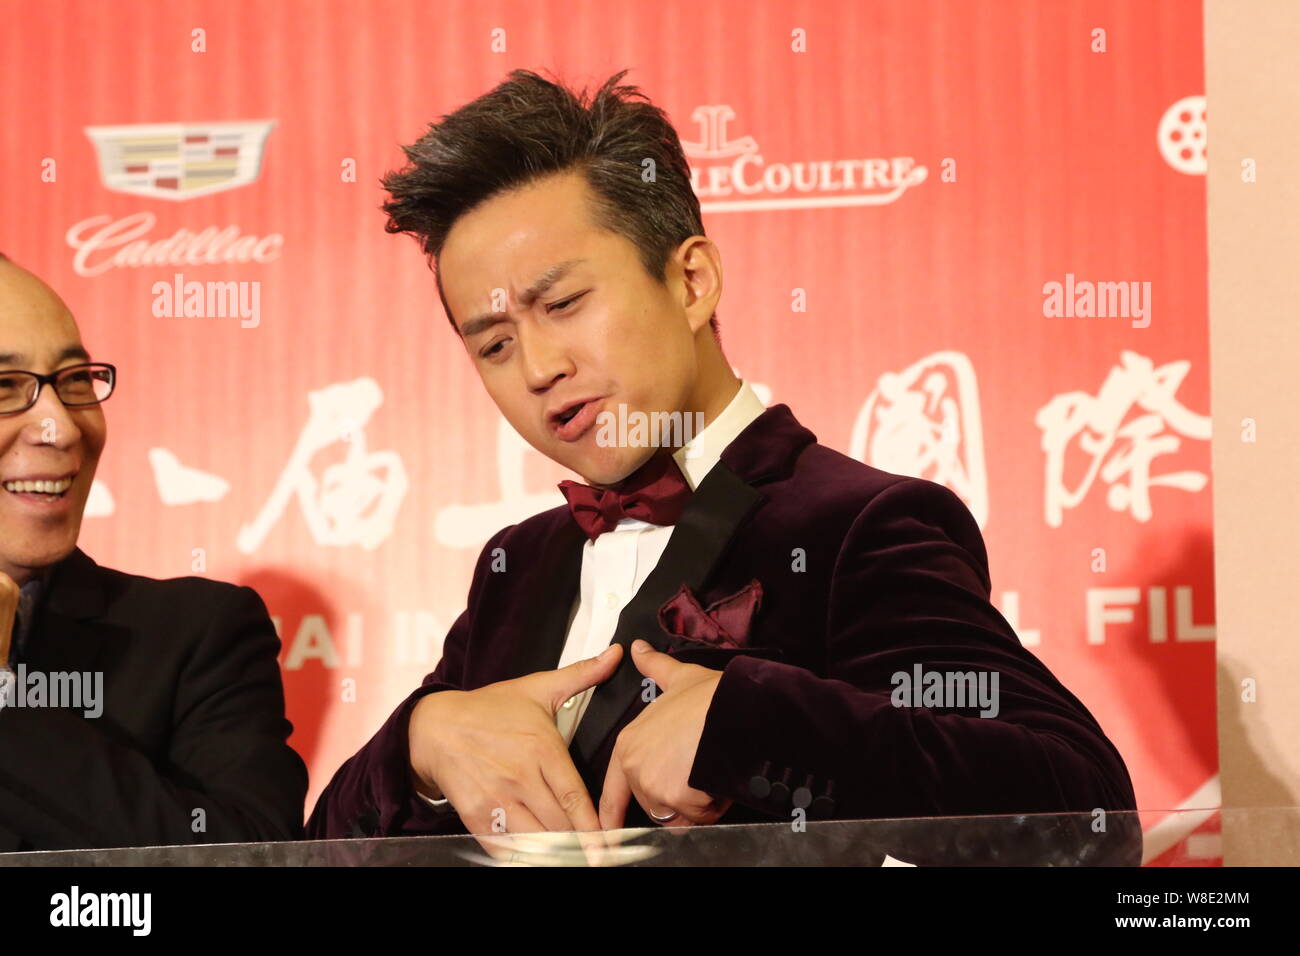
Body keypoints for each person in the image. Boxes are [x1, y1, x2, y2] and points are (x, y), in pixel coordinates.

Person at [306, 69, 1138, 844]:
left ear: (692, 281)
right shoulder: (516, 563)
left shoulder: (855, 524)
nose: (536, 368)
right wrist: (422, 742)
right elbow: (307, 857)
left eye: (562, 303)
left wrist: (747, 727)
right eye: (492, 345)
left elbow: (1082, 809)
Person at [0, 252, 307, 851]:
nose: (61, 428)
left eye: (74, 380)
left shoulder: (194, 633)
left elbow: (250, 858)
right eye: (6, 388)